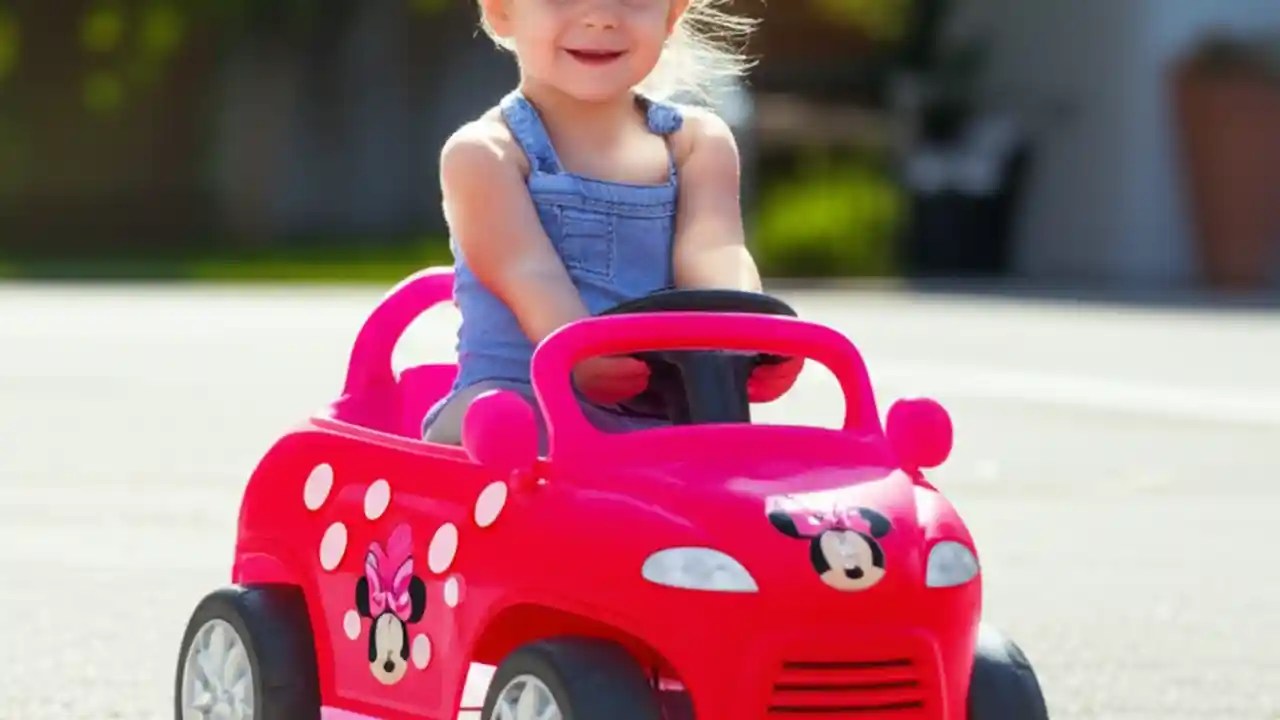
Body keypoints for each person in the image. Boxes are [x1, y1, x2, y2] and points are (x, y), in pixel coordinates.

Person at [422, 0, 802, 449]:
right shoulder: (485, 154)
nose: (601, 17)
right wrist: (577, 351)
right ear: (502, 10)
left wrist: (744, 338)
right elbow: (526, 269)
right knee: (493, 427)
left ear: (672, 14)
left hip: (665, 410)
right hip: (527, 400)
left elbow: (714, 252)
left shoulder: (697, 144)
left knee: (759, 460)